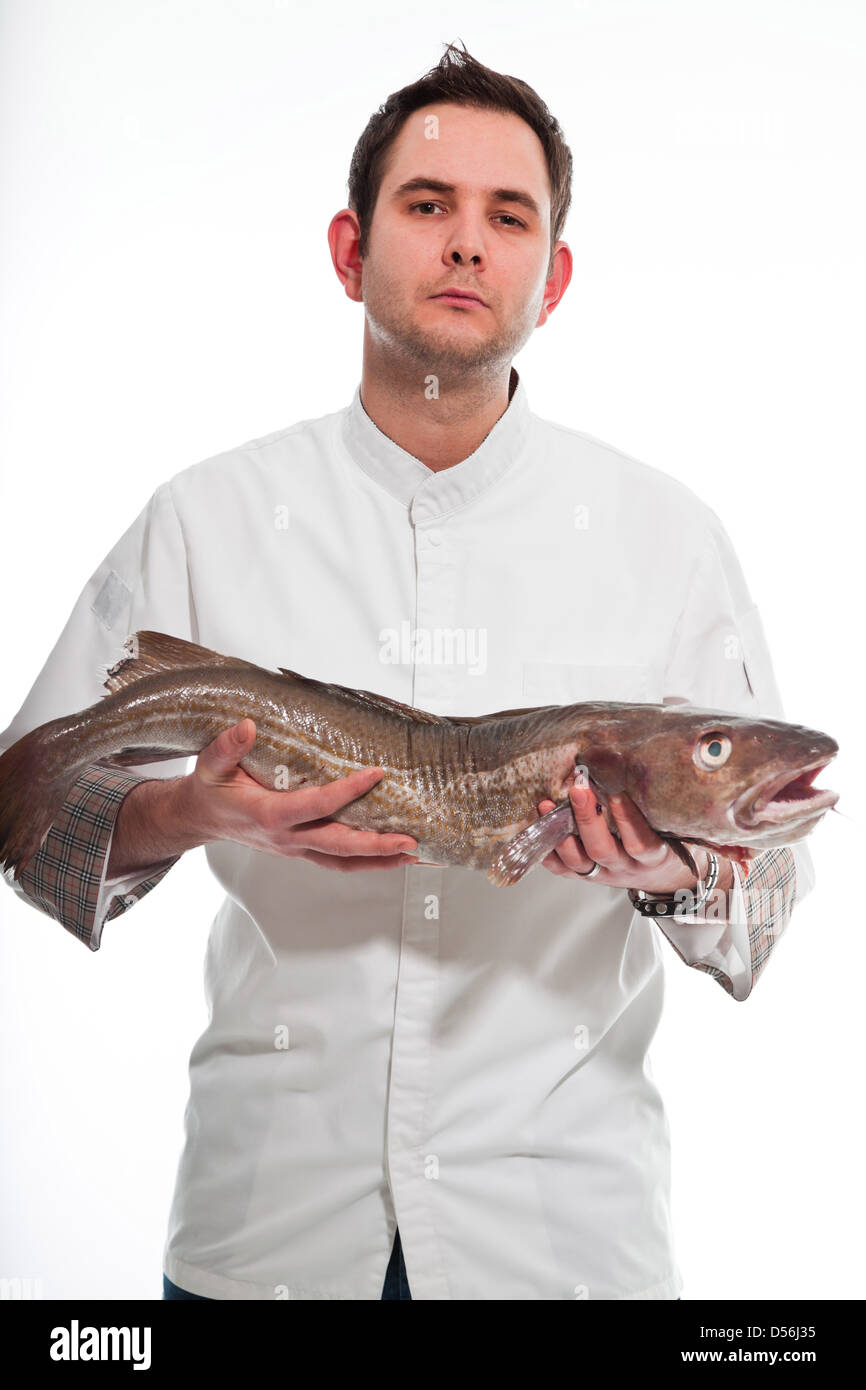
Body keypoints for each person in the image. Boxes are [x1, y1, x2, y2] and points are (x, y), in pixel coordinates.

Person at [0, 42, 808, 1301]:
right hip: (264, 1235)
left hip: (559, 1253)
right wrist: (182, 810)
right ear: (349, 249)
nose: (467, 245)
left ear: (556, 273)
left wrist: (670, 868)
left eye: (508, 216)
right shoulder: (205, 514)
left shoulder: (667, 535)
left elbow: (770, 903)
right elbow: (23, 826)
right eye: (427, 207)